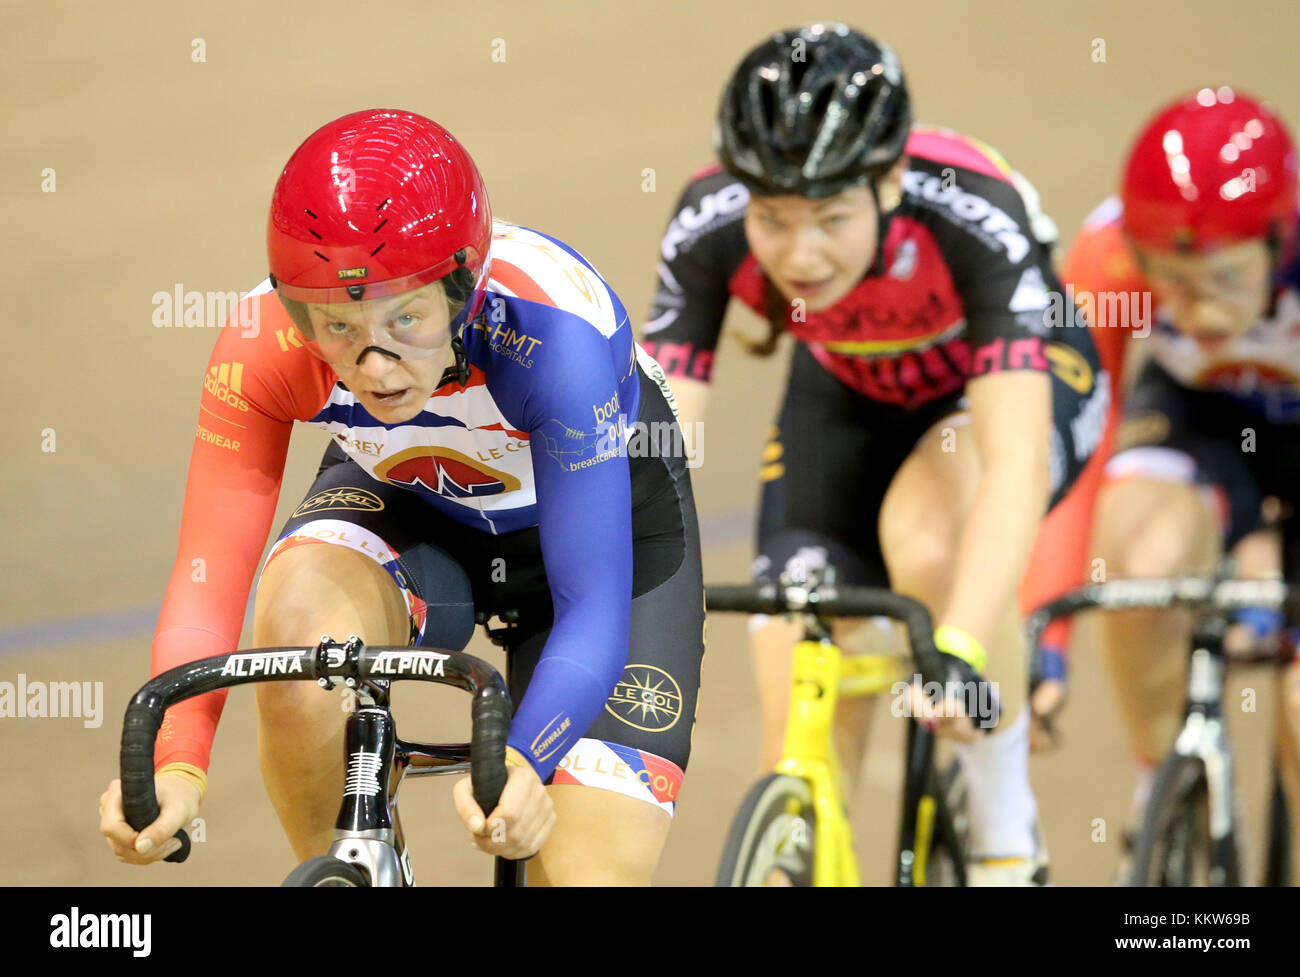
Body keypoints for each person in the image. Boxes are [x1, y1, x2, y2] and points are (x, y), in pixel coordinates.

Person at [98, 109, 706, 885]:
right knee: (294, 643)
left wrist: (525, 757)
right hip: (416, 506)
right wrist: (177, 766)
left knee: (585, 870)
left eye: (407, 319)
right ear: (297, 312)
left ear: (466, 290)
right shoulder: (263, 347)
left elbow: (591, 604)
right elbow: (206, 577)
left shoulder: (553, 344)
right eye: (340, 326)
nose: (378, 364)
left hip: (606, 537)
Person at [640, 23, 1110, 883]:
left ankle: (1007, 829)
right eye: (773, 219)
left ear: (890, 181)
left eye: (830, 217)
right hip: (848, 403)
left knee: (928, 535)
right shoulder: (708, 223)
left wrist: (963, 642)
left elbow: (1013, 463)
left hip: (995, 398)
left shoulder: (972, 210)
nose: (799, 252)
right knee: (797, 668)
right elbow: (652, 445)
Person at [1064, 87, 1300, 862]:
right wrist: (1053, 637)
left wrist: (1265, 542)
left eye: (1224, 278)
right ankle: (1159, 791)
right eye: (1170, 279)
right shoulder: (1109, 256)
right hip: (1197, 419)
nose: (1194, 309)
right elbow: (1075, 453)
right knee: (1136, 567)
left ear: (1280, 239)